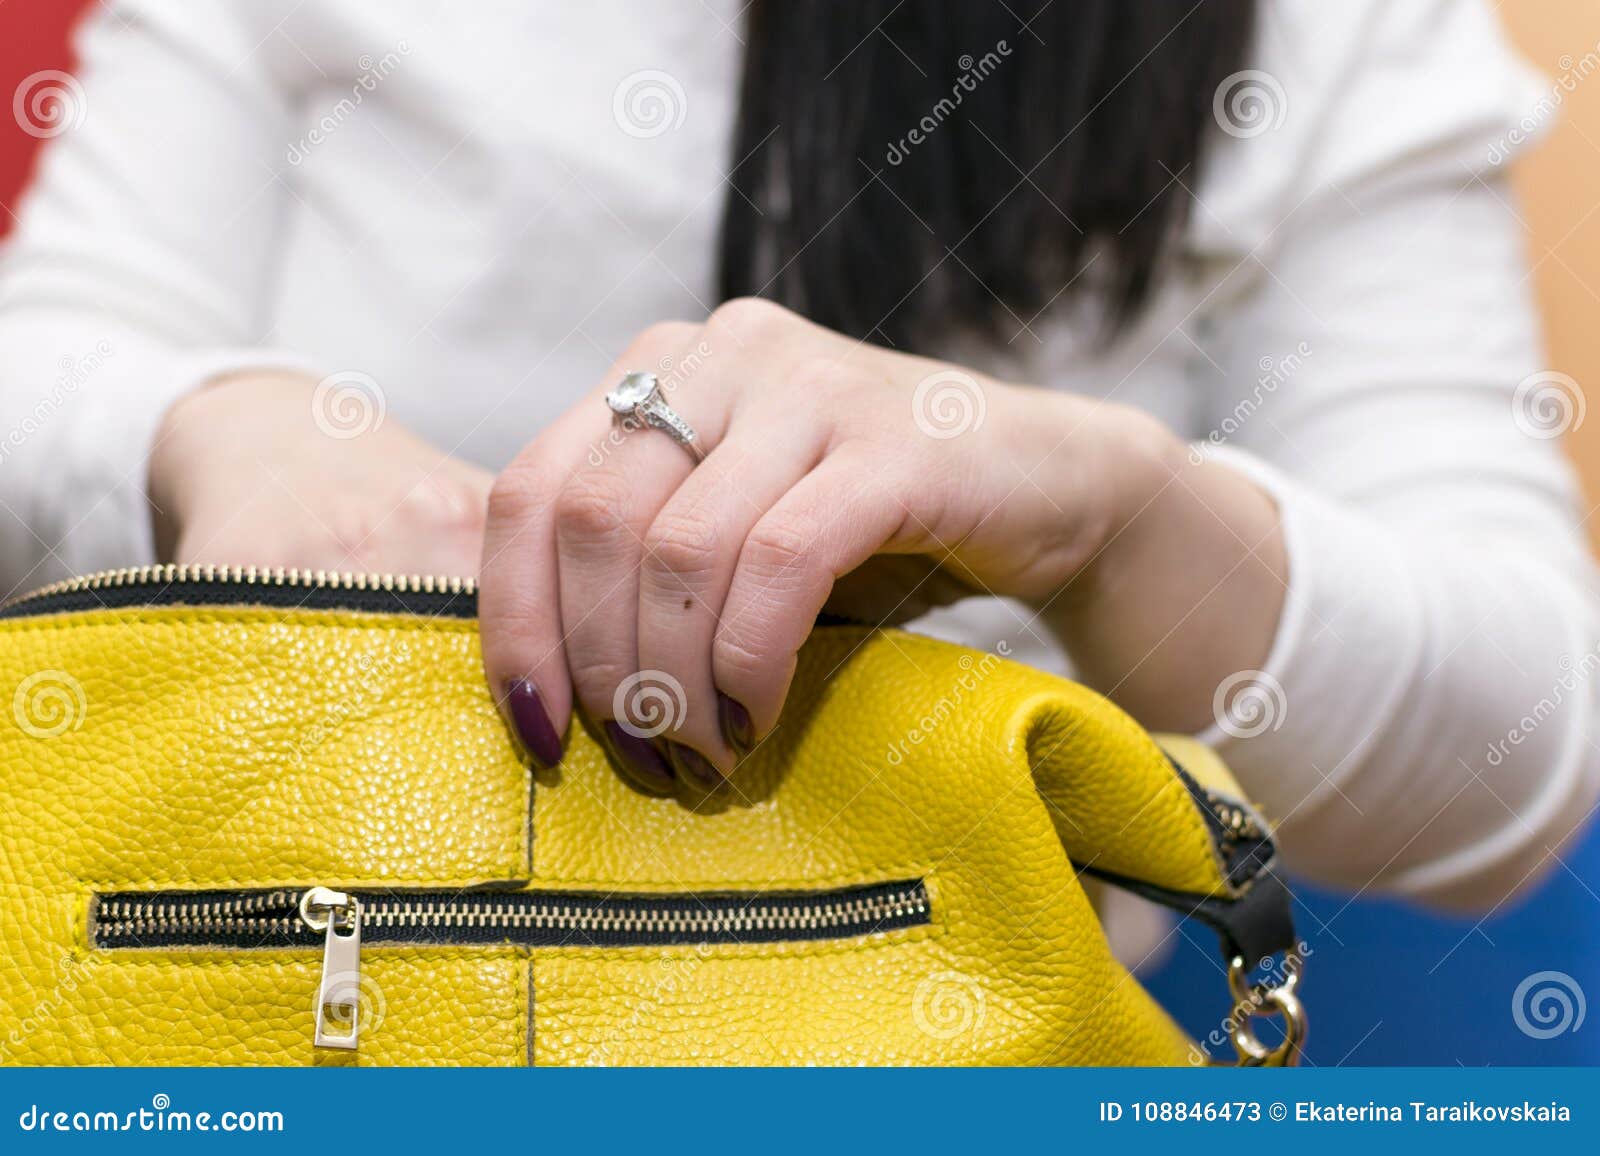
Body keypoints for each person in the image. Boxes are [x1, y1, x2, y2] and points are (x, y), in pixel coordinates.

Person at [0, 0, 1593, 925]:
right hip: (280, 998)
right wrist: (204, 421)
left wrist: (1115, 512)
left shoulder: (1343, 30)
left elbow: (1514, 769)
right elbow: (56, 343)